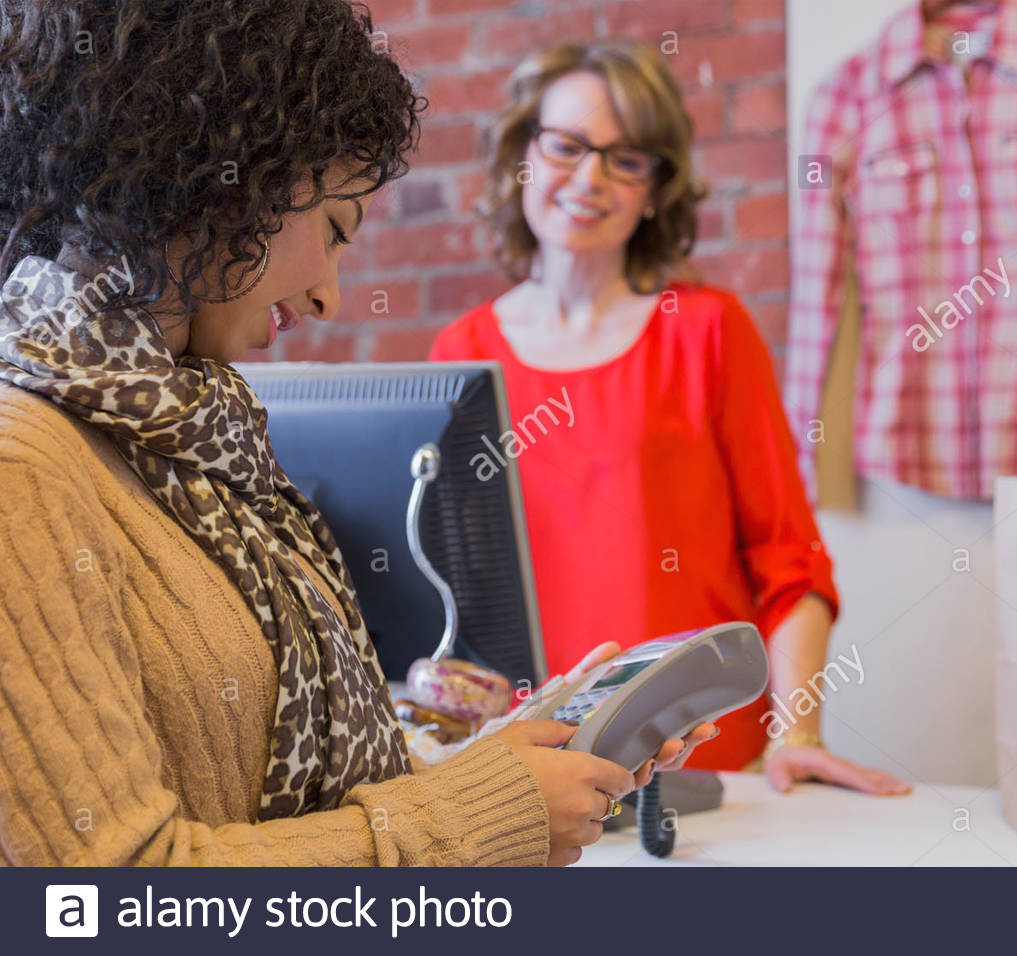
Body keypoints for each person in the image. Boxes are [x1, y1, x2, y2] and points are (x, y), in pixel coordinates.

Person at [0, 0, 710, 868]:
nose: (332, 295)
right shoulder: (23, 468)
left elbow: (281, 799)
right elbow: (106, 897)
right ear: (229, 180)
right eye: (336, 230)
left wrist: (510, 759)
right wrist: (480, 820)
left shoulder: (192, 445)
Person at [430, 39, 911, 796]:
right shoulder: (460, 354)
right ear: (524, 155)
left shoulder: (709, 331)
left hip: (700, 769)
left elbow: (791, 566)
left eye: (626, 159)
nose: (589, 178)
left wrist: (797, 734)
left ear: (655, 188)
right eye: (566, 146)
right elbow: (447, 596)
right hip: (527, 776)